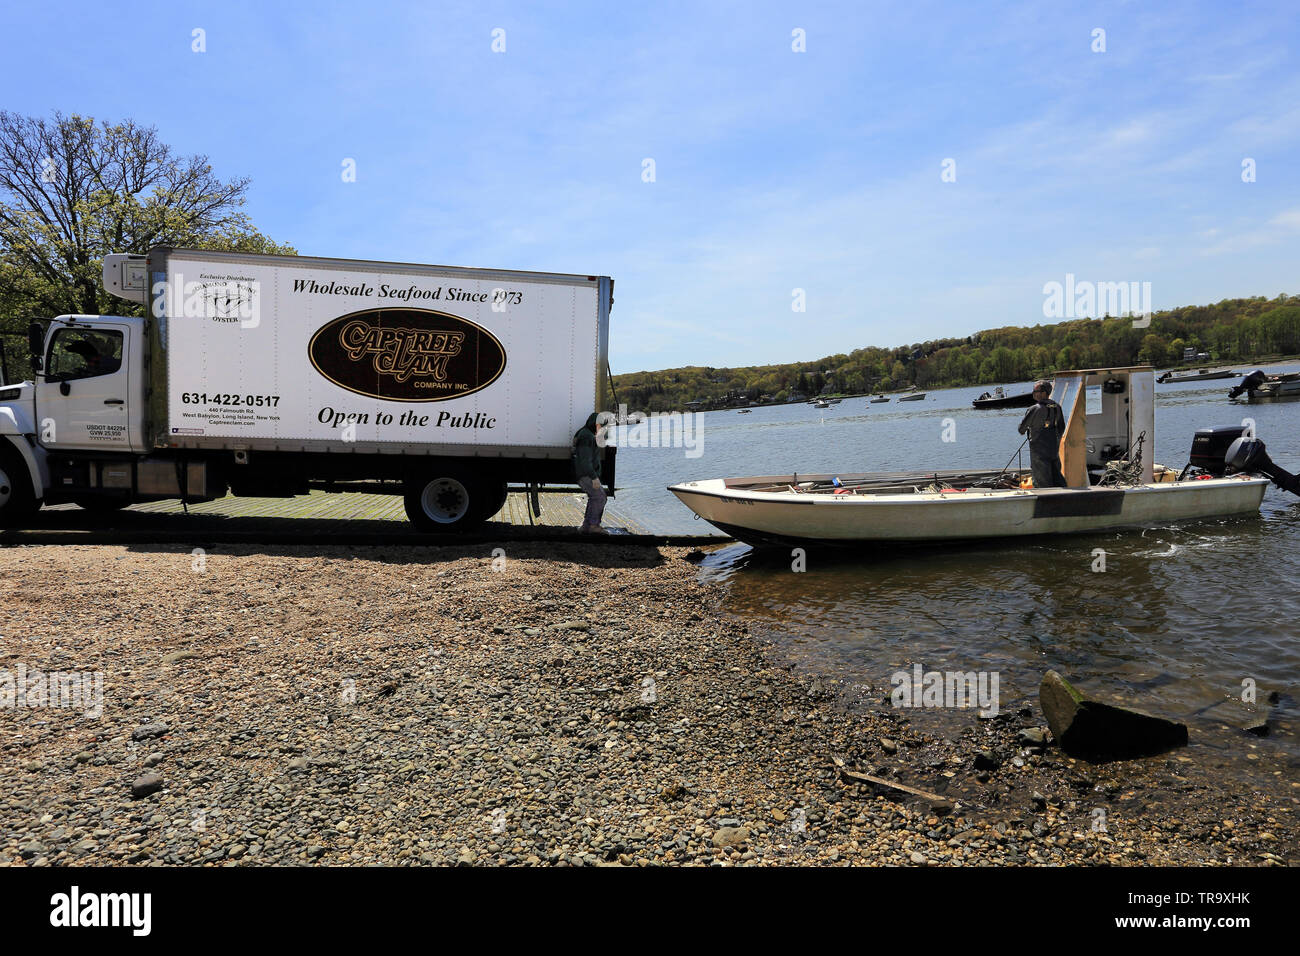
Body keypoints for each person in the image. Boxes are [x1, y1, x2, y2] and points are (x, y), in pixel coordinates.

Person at [1017, 380, 1068, 488]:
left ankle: (1044, 502)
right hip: (1053, 451)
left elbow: (1021, 429)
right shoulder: (1057, 407)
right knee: (1057, 479)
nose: (1033, 393)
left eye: (1036, 391)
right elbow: (1061, 428)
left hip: (1039, 454)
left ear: (1044, 393)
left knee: (1042, 483)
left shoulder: (1034, 409)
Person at [572, 412, 607, 533]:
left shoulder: (586, 433)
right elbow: (585, 461)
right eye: (600, 426)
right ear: (595, 424)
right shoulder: (587, 436)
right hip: (586, 475)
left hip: (584, 474)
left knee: (594, 497)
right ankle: (593, 525)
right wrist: (594, 477)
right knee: (600, 497)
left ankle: (586, 526)